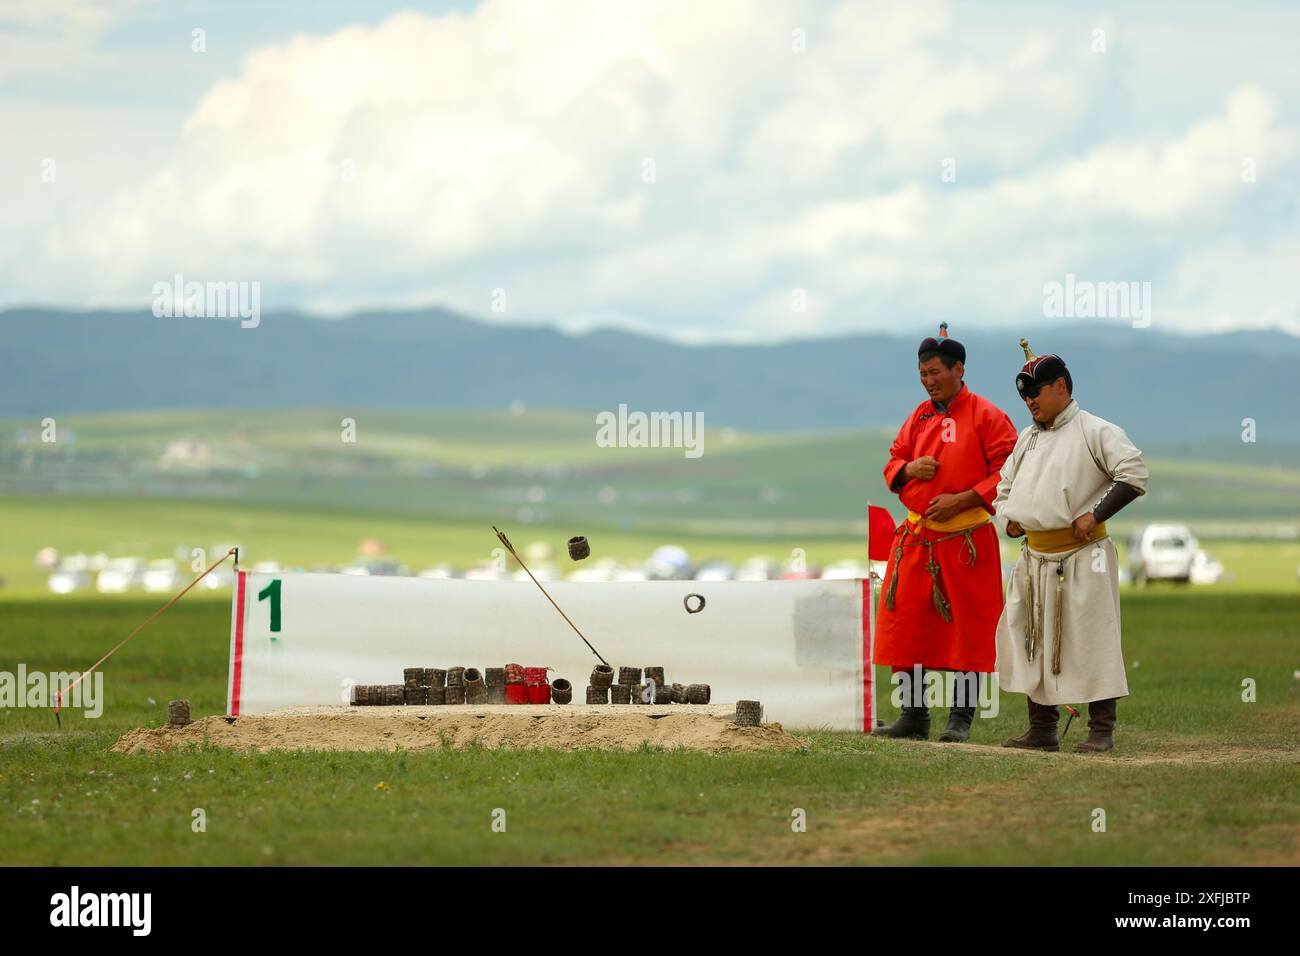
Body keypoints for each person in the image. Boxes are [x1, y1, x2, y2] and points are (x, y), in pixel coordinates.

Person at [994, 340, 1149, 753]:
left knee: (1092, 637)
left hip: (1084, 557)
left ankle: (1101, 731)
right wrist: (1008, 518)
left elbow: (1133, 474)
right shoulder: (1026, 438)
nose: (1028, 401)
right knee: (1033, 639)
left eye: (1035, 392)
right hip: (1034, 556)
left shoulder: (1095, 430)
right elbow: (1003, 487)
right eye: (1023, 395)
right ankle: (1042, 729)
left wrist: (1095, 515)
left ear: (1060, 386)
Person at [874, 324, 1018, 741]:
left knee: (967, 633)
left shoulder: (988, 416)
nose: (929, 382)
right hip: (918, 539)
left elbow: (1008, 471)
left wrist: (965, 498)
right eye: (923, 374)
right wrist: (908, 470)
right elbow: (893, 460)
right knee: (907, 628)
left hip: (966, 542)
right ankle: (913, 718)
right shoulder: (918, 416)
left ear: (959, 369)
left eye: (935, 373)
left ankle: (960, 721)